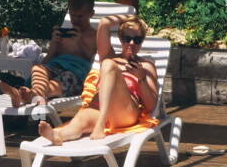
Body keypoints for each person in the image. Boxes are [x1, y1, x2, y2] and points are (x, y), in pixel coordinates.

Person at [38, 15, 158, 145]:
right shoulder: (110, 56)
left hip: (125, 113)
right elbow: (104, 23)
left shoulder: (146, 66)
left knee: (108, 64)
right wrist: (131, 17)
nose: (132, 43)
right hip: (99, 111)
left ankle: (100, 123)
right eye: (127, 38)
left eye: (138, 39)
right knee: (81, 120)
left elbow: (151, 106)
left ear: (142, 40)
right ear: (120, 38)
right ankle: (57, 135)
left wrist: (142, 79)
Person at [0, 0, 97, 107]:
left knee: (63, 79)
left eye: (80, 16)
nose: (75, 20)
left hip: (78, 76)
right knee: (38, 68)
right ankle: (31, 95)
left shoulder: (95, 35)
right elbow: (47, 62)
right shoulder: (65, 35)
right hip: (54, 69)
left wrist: (79, 44)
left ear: (91, 14)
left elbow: (96, 64)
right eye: (72, 15)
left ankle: (24, 95)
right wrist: (54, 46)